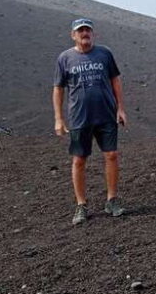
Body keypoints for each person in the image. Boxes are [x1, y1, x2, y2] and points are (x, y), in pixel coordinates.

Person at [53, 18, 127, 225]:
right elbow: (58, 88)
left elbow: (115, 80)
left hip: (106, 113)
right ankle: (81, 204)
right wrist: (58, 118)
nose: (85, 33)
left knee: (111, 154)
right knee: (79, 159)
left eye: (88, 30)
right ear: (73, 35)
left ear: (93, 34)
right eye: (80, 30)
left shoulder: (105, 54)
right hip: (79, 116)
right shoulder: (65, 58)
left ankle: (112, 200)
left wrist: (120, 108)